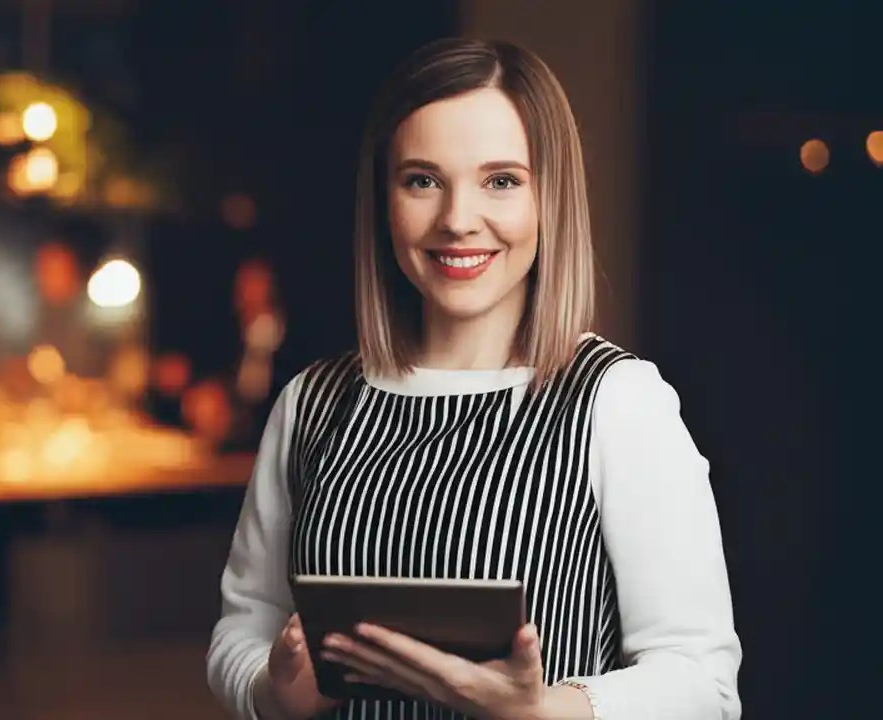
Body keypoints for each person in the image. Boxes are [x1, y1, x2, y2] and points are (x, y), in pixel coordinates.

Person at [206, 38, 741, 720]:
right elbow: (243, 626)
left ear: (551, 198)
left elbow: (704, 685)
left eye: (501, 180)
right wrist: (271, 690)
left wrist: (542, 710)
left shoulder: (618, 401)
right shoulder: (311, 403)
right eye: (422, 180)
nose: (458, 219)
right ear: (384, 199)